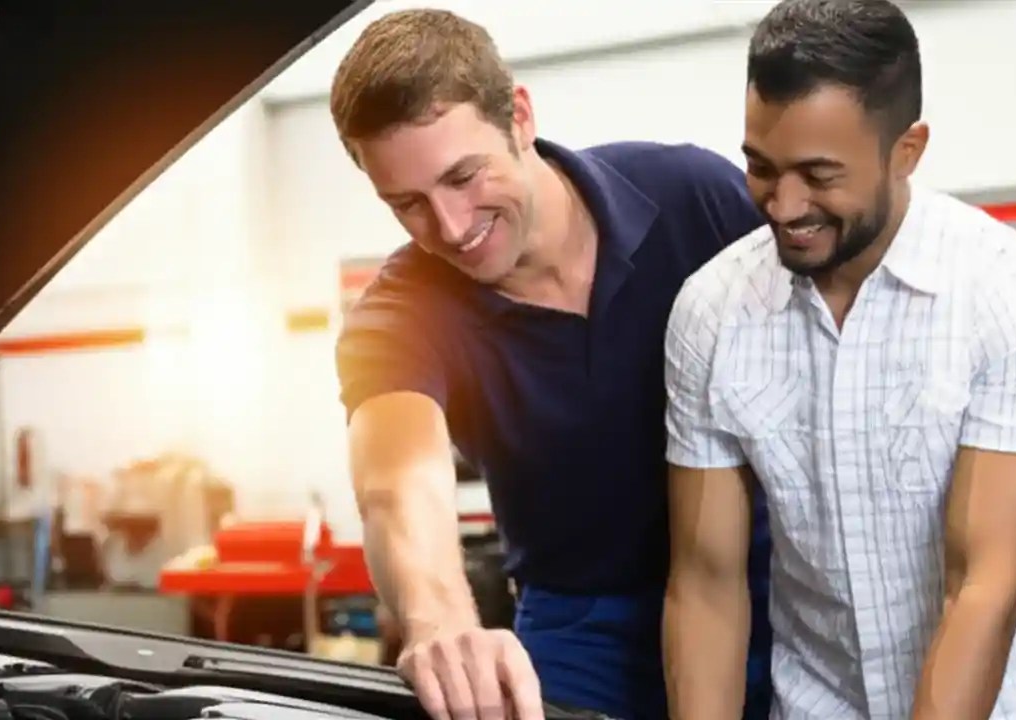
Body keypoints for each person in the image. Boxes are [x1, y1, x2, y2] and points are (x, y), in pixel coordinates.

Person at [328, 8, 773, 720]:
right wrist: (440, 621)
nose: (449, 227)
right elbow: (394, 482)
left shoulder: (693, 195)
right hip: (582, 628)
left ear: (521, 117)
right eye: (407, 204)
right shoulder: (400, 310)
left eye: (465, 176)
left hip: (771, 584)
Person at [661, 1, 1016, 718]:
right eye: (761, 167)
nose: (783, 203)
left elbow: (981, 588)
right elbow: (707, 585)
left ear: (907, 150)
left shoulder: (1011, 295)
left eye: (819, 174)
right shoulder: (711, 311)